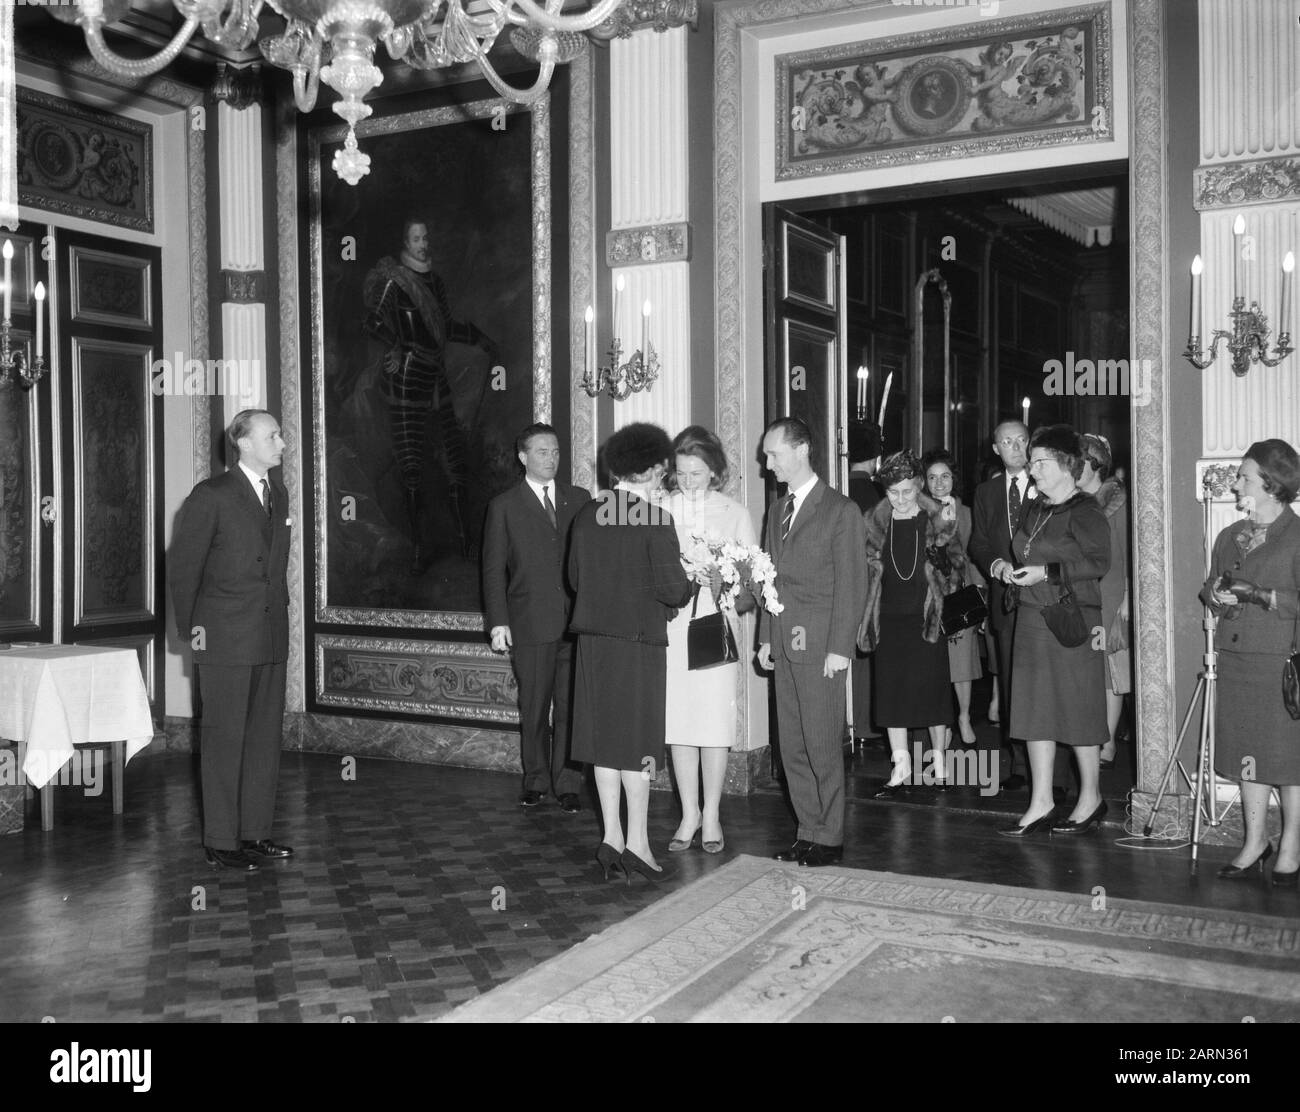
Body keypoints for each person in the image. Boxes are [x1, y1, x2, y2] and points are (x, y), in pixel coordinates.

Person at [169, 410, 293, 871]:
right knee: (224, 738)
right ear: (242, 442)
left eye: (280, 434)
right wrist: (194, 634)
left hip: (269, 635)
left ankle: (255, 832)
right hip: (223, 637)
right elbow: (184, 570)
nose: (282, 443)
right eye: (273, 435)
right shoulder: (211, 495)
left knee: (264, 738)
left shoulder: (277, 493)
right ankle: (221, 839)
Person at [568, 423, 692, 882]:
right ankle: (638, 843)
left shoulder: (586, 514)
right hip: (637, 646)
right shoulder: (655, 519)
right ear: (653, 468)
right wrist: (695, 582)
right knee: (636, 747)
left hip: (594, 644)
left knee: (604, 744)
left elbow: (576, 579)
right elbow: (672, 589)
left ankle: (611, 838)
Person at [758, 418, 868, 867]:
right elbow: (769, 581)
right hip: (784, 643)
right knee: (794, 746)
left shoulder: (841, 510)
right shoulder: (777, 510)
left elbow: (852, 585)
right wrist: (766, 637)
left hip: (821, 645)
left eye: (774, 454)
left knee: (822, 744)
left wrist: (840, 648)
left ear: (802, 450)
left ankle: (830, 835)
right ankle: (807, 831)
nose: (768, 465)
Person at [993, 425, 1111, 838]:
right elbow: (1022, 549)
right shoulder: (1036, 507)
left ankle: (1091, 797)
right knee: (1034, 710)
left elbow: (1099, 563)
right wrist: (1006, 568)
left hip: (1070, 620)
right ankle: (1041, 800)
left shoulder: (1086, 510)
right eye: (1033, 460)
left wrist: (1048, 571)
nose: (1033, 467)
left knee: (1077, 708)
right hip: (1031, 618)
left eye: (1041, 461)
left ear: (1066, 465)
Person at [362, 215, 497, 565]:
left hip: (435, 376)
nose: (423, 244)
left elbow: (445, 326)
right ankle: (418, 547)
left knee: (454, 459)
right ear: (405, 244)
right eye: (416, 238)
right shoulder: (395, 282)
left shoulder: (434, 281)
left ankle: (464, 539)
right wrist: (394, 346)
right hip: (407, 378)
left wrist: (479, 338)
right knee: (412, 466)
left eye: (425, 237)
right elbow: (373, 321)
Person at [1201, 440, 1300, 887]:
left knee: (1287, 760)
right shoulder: (1231, 534)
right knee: (1249, 756)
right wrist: (1216, 594)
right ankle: (1255, 841)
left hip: (1280, 664)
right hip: (1237, 657)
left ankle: (1292, 847)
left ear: (1272, 484)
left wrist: (1259, 595)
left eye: (1244, 476)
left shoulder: (1296, 536)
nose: (1236, 482)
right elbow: (1211, 586)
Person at [482, 423, 591, 812]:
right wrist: (498, 621)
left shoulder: (579, 499)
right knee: (533, 707)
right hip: (529, 622)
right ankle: (535, 780)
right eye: (542, 452)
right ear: (523, 457)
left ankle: (568, 783)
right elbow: (493, 570)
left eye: (556, 451)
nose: (552, 458)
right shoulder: (504, 506)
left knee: (569, 706)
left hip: (576, 623)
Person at [662, 426, 757, 855]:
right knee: (679, 722)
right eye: (681, 473)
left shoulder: (734, 512)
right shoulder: (661, 508)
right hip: (674, 625)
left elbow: (753, 583)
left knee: (714, 723)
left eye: (697, 474)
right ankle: (689, 813)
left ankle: (713, 813)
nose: (688, 481)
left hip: (715, 626)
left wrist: (723, 583)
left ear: (714, 471)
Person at [861, 451, 966, 795]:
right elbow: (865, 570)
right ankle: (902, 765)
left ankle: (939, 762)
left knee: (933, 691)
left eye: (907, 491)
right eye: (893, 493)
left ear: (919, 486)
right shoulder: (875, 522)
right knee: (891, 692)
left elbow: (957, 569)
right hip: (888, 617)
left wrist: (946, 567)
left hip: (927, 618)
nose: (901, 499)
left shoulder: (938, 520)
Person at [970, 419, 1034, 789]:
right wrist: (995, 565)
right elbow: (978, 542)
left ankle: (1054, 773)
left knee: (1043, 681)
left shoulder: (1045, 485)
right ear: (995, 448)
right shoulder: (986, 493)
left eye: (1021, 440)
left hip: (1044, 601)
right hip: (1005, 601)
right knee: (1011, 683)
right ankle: (1021, 765)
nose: (1015, 447)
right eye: (1006, 442)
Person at [924, 448, 984, 747]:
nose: (938, 483)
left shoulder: (967, 512)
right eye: (932, 478)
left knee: (962, 664)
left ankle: (963, 715)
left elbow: (975, 555)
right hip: (929, 595)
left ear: (953, 480)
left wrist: (980, 596)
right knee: (934, 665)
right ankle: (942, 722)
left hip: (960, 592)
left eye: (944, 477)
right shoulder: (919, 511)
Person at [1079, 434, 1130, 768]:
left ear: (1093, 465)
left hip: (1111, 595)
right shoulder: (1072, 501)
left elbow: (1130, 554)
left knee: (1112, 672)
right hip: (1082, 595)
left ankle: (1108, 741)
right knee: (1087, 670)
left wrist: (1127, 600)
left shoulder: (1118, 502)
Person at [847, 422, 884, 749]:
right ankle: (865, 724)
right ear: (874, 458)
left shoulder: (836, 488)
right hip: (871, 580)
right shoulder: (876, 494)